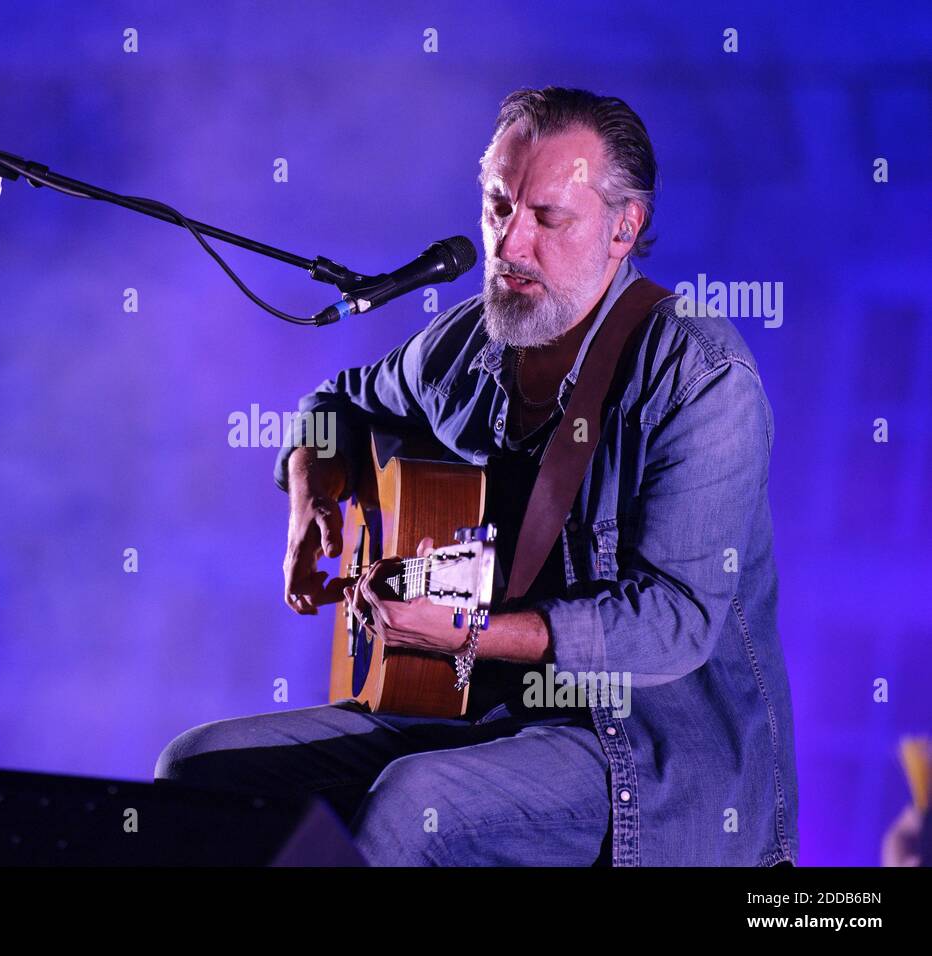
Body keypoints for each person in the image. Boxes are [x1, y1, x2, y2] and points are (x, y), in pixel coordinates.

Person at [156, 88, 799, 866]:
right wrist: (310, 486)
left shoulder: (701, 376)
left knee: (415, 803)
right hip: (473, 705)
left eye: (548, 218)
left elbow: (674, 621)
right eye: (498, 206)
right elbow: (338, 404)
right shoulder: (471, 342)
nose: (509, 243)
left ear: (623, 228)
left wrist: (470, 632)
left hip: (643, 750)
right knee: (201, 771)